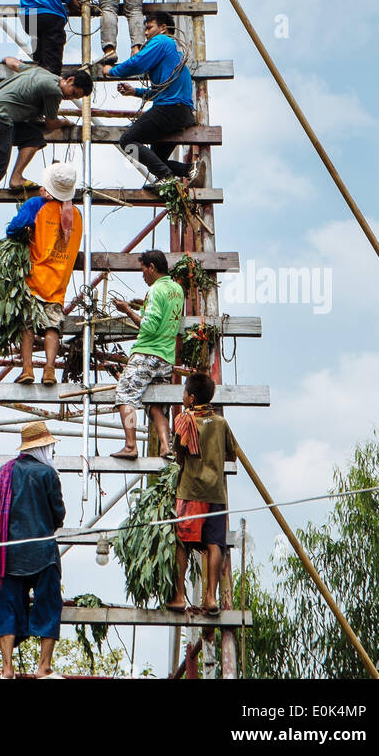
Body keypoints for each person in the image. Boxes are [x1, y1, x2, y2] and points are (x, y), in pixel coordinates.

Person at [0, 64, 93, 238]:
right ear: (70, 80)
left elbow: (14, 63)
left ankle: (17, 178)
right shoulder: (54, 91)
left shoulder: (42, 72)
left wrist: (5, 59)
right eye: (73, 93)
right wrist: (64, 122)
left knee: (33, 137)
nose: (68, 97)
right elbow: (51, 124)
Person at [0, 419, 67, 679]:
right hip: (43, 555)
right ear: (43, 448)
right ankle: (43, 667)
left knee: (7, 608)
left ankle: (6, 669)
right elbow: (58, 515)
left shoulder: (5, 471)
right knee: (49, 605)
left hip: (9, 554)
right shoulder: (47, 474)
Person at [5, 161, 82, 386]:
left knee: (27, 325)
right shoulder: (76, 215)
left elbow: (13, 229)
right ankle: (49, 370)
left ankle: (27, 368)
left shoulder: (36, 205)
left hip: (34, 279)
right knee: (52, 326)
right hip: (58, 283)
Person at [167, 373, 237, 617]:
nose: (183, 396)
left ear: (191, 397)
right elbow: (232, 454)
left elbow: (178, 453)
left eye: (185, 392)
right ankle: (211, 598)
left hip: (190, 491)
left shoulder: (184, 421)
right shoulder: (220, 423)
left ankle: (177, 596)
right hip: (216, 491)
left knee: (183, 543)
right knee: (215, 543)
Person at [107, 10, 202, 186]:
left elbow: (137, 63)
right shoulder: (176, 58)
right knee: (155, 161)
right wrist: (134, 91)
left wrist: (111, 72)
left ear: (163, 28)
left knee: (127, 141)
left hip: (169, 109)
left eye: (149, 27)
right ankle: (189, 170)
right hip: (182, 113)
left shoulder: (162, 41)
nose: (146, 33)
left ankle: (166, 178)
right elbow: (161, 91)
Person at [110, 248, 183, 460]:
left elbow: (149, 326)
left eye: (143, 270)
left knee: (125, 395)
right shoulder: (177, 289)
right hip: (166, 357)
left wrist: (128, 311)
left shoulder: (155, 291)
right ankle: (165, 446)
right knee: (155, 405)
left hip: (147, 353)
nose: (143, 275)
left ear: (152, 267)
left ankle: (131, 445)